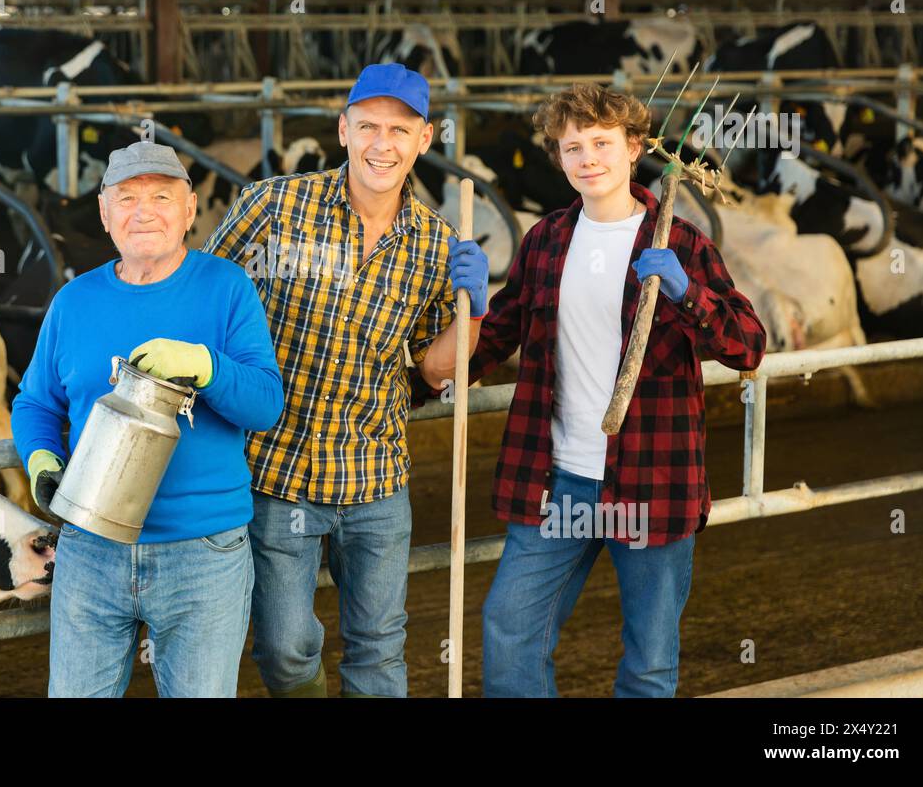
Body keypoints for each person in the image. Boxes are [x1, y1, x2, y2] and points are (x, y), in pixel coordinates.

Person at [426, 82, 767, 697]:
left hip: (653, 478)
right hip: (559, 480)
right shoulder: (546, 240)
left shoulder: (681, 241)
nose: (588, 159)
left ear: (635, 147)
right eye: (572, 146)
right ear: (558, 158)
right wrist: (467, 312)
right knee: (510, 628)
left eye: (603, 143)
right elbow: (491, 341)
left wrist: (690, 294)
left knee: (649, 658)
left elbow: (748, 344)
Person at [204, 63, 490, 697]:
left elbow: (439, 368)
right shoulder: (275, 206)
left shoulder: (437, 245)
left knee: (380, 650)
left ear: (424, 140)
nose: (380, 145)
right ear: (343, 130)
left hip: (375, 476)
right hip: (277, 472)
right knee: (283, 647)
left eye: (399, 130)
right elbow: (204, 293)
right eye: (367, 126)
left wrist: (476, 306)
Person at [12, 141, 284, 698]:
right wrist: (42, 460)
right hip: (89, 548)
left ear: (189, 211)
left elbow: (264, 404)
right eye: (128, 198)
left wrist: (206, 366)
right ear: (105, 213)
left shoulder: (228, 289)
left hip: (203, 550)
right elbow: (35, 402)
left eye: (163, 196)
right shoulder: (73, 300)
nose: (145, 211)